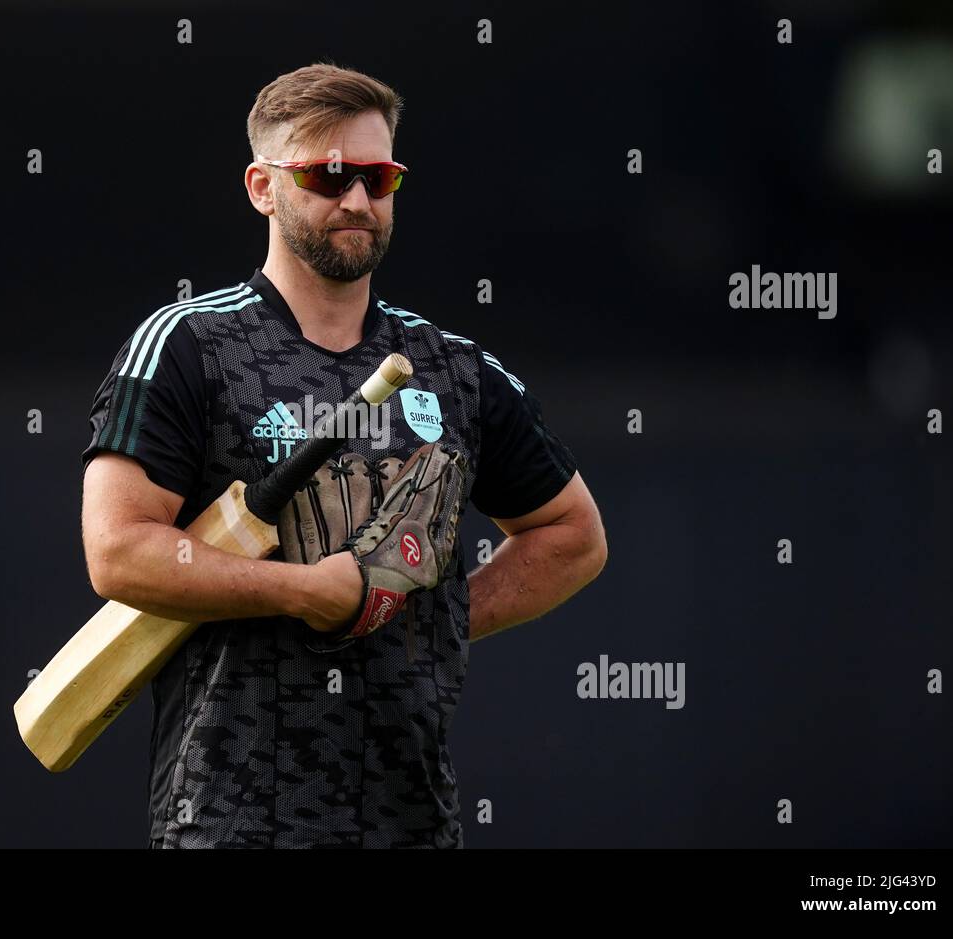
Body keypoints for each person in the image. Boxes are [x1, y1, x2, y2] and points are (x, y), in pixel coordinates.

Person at [80, 62, 607, 848]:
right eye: (328, 176)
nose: (357, 200)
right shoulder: (189, 344)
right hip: (228, 823)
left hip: (413, 822)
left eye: (378, 176)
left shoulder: (453, 366)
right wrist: (302, 592)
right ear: (262, 187)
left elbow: (573, 535)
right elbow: (119, 553)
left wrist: (429, 612)